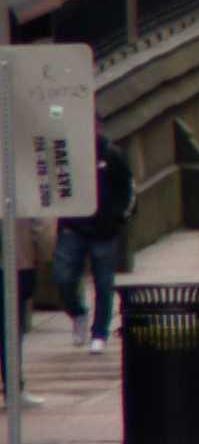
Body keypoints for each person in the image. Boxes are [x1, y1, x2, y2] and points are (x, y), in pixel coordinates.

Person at [55, 128, 135, 355]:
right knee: (63, 276)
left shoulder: (111, 155)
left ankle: (100, 332)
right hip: (74, 226)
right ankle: (77, 312)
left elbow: (128, 188)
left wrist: (118, 218)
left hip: (104, 230)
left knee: (103, 282)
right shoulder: (66, 153)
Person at [3, 219, 54, 407]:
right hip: (18, 260)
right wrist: (44, 254)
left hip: (18, 258)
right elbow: (40, 224)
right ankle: (14, 388)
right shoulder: (20, 188)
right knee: (13, 328)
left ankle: (14, 388)